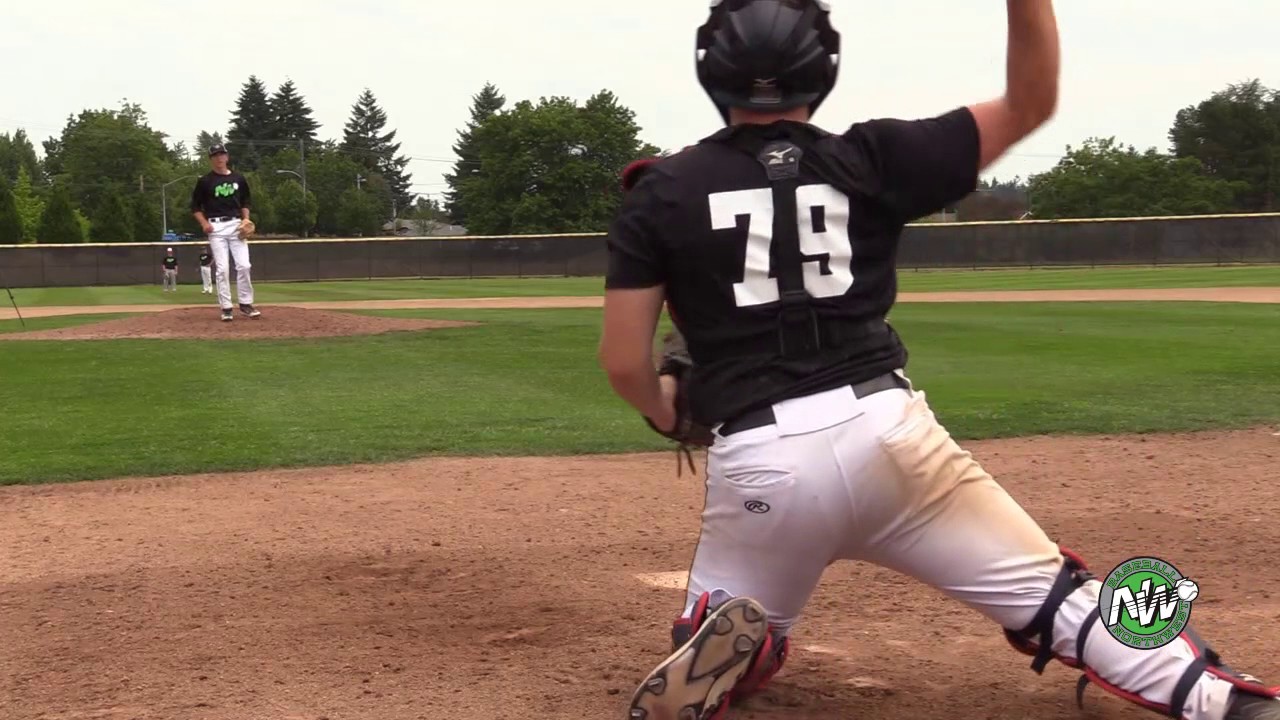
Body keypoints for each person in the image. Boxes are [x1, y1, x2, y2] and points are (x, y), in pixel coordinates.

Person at [598, 3, 1280, 720]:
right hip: (892, 440)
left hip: (761, 462)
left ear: (710, 69)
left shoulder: (661, 191)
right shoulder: (876, 156)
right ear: (823, 66)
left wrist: (664, 408)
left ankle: (736, 637)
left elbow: (623, 362)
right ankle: (1216, 696)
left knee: (727, 621)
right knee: (1059, 600)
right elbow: (1030, 103)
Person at [190, 143, 260, 322]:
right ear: (211, 159)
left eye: (222, 154)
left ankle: (245, 303)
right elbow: (195, 207)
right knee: (222, 269)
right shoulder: (205, 181)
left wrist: (246, 219)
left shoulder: (238, 178)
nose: (219, 157)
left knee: (244, 265)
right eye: (215, 155)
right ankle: (226, 307)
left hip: (236, 225)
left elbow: (245, 201)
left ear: (227, 157)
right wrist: (204, 223)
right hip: (216, 226)